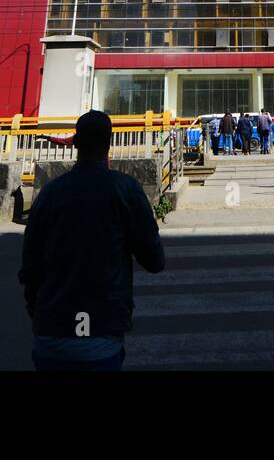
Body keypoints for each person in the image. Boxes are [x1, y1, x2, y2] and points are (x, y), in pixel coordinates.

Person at [19, 110, 165, 371]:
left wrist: (39, 310)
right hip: (100, 335)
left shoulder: (50, 193)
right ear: (109, 144)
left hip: (50, 334)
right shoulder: (126, 189)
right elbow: (155, 261)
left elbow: (29, 264)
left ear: (75, 143)